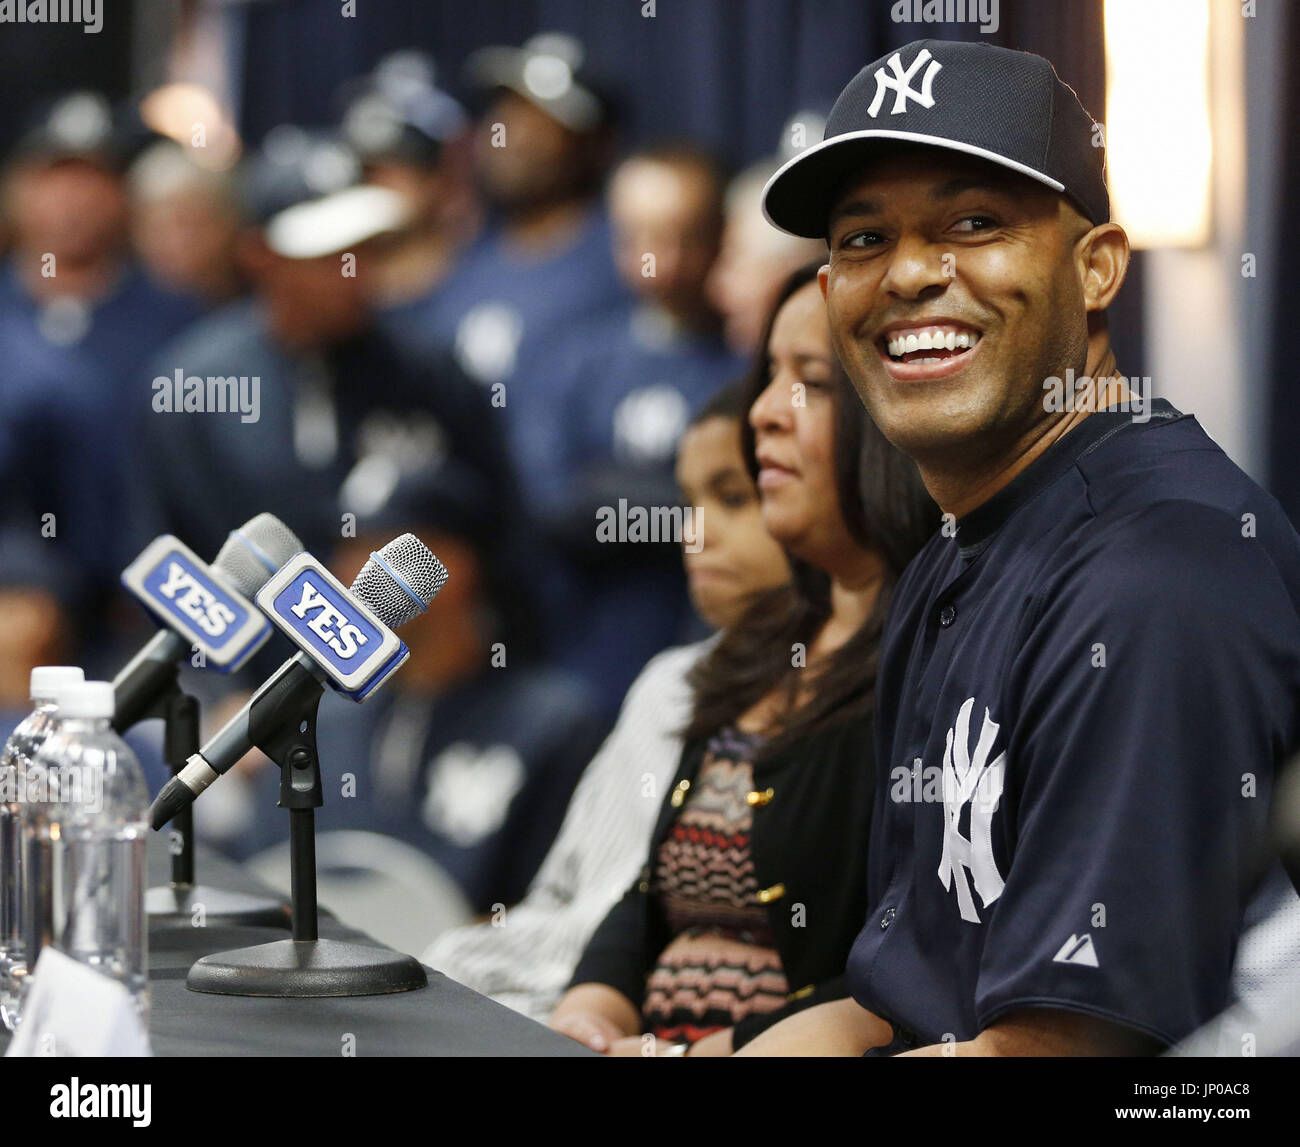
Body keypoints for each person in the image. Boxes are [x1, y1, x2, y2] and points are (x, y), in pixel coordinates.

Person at [741, 39, 1300, 1057]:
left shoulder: (1156, 578)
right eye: (863, 239)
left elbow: (1061, 1055)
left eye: (972, 224)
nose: (912, 272)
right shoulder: (960, 548)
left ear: (1095, 268)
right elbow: (905, 988)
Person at [549, 264, 935, 1055]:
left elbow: (913, 964)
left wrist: (697, 1053)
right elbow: (649, 896)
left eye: (811, 382)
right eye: (767, 376)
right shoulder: (755, 650)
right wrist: (589, 1018)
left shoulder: (941, 660)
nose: (762, 412)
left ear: (897, 409)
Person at [422, 381, 792, 1019]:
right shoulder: (666, 683)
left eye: (734, 498)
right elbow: (559, 899)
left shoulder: (849, 690)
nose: (695, 532)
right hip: (544, 996)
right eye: (687, 503)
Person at [205, 456, 605, 917]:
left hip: (467, 982)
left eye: (380, 554)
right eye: (347, 548)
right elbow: (261, 882)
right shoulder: (317, 717)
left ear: (454, 564)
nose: (355, 576)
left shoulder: (552, 724)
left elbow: (552, 912)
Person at [532, 143, 746, 717]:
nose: (664, 260)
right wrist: (694, 508)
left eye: (685, 236)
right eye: (642, 237)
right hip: (585, 668)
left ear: (719, 234)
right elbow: (552, 507)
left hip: (714, 669)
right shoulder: (575, 362)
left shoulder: (748, 363)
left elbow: (759, 512)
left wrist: (612, 494)